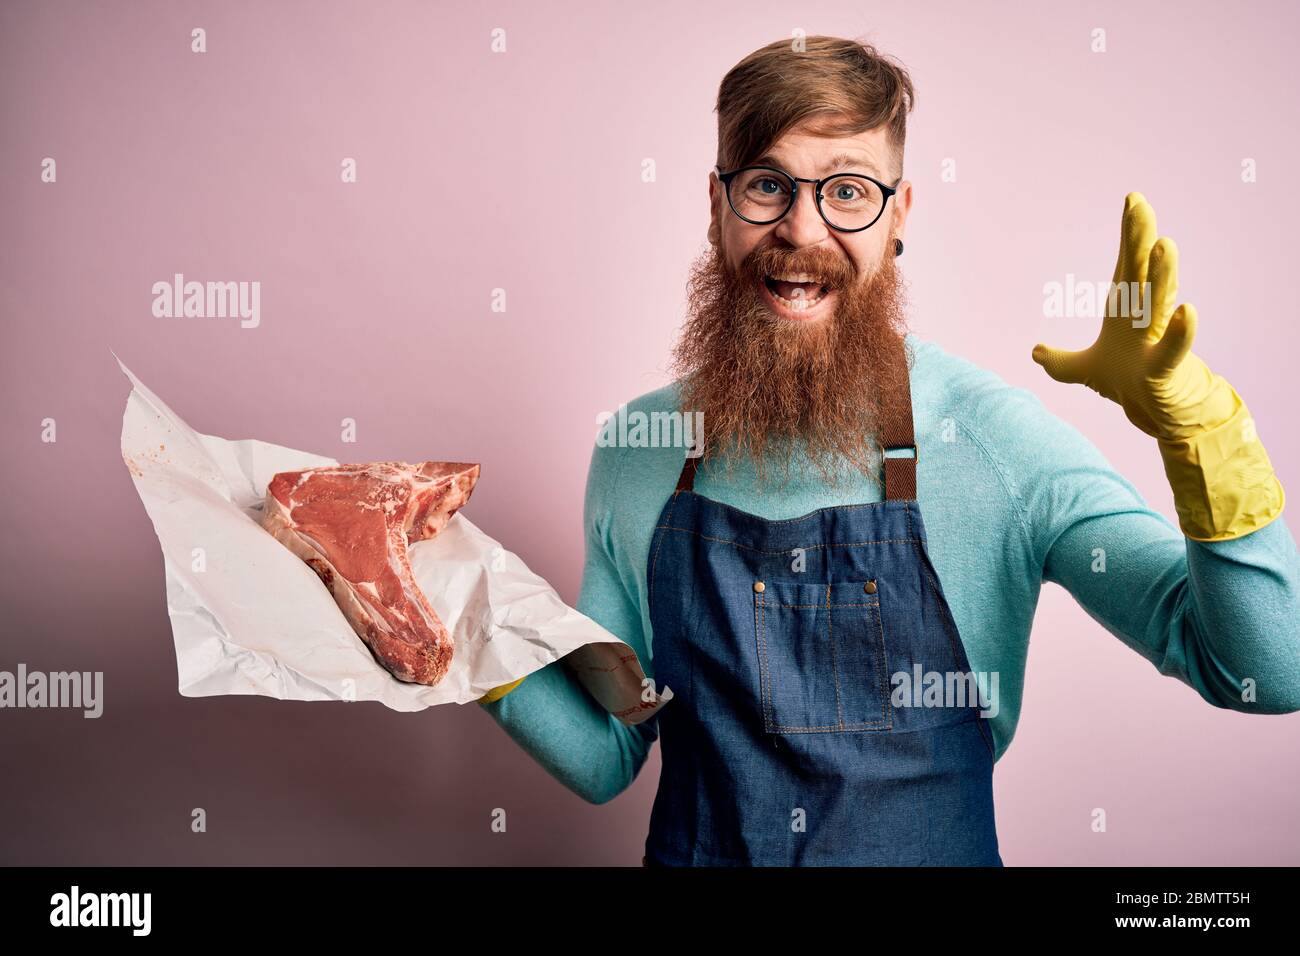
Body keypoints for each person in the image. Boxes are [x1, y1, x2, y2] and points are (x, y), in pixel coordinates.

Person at [477, 36, 1298, 866]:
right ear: (717, 205)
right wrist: (459, 614)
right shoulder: (636, 452)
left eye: (847, 191)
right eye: (767, 184)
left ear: (899, 213)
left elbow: (1262, 672)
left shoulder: (989, 444)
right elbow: (608, 754)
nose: (803, 229)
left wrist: (1205, 438)